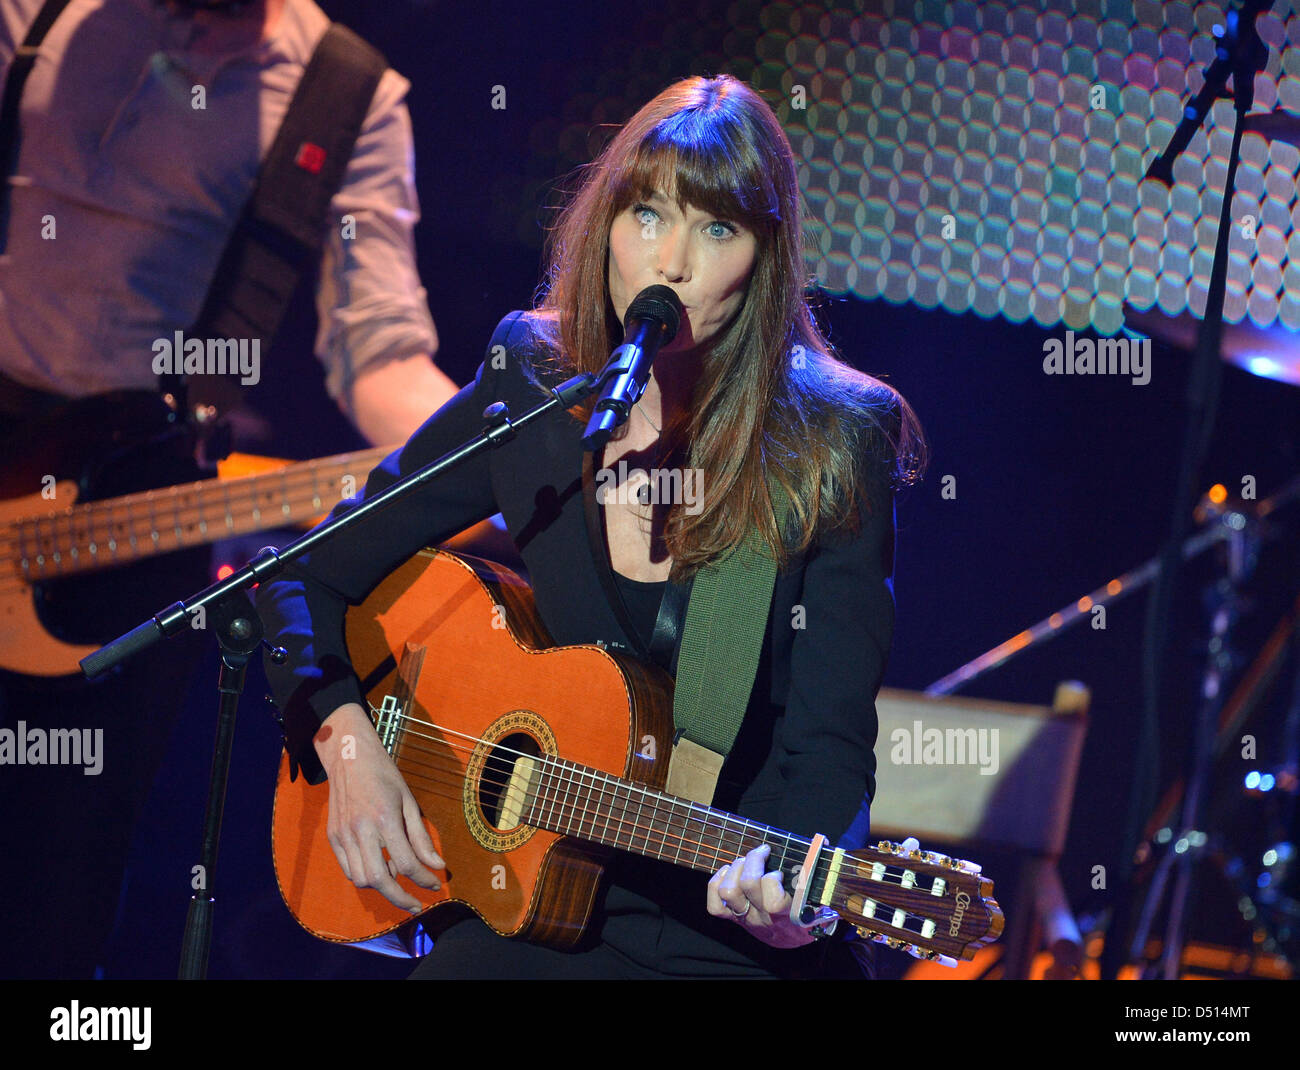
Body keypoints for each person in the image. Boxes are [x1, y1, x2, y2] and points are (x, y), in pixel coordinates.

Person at [257, 73, 927, 979]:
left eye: (717, 228)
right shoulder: (534, 382)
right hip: (528, 901)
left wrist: (796, 895)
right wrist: (348, 747)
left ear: (765, 258)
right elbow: (303, 572)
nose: (671, 263)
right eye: (648, 215)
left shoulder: (835, 437)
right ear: (606, 224)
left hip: (717, 933)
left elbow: (829, 745)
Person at [0, 0, 464, 979]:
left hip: (129, 530)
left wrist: (506, 444)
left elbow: (378, 356)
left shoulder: (348, 90)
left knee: (50, 901)